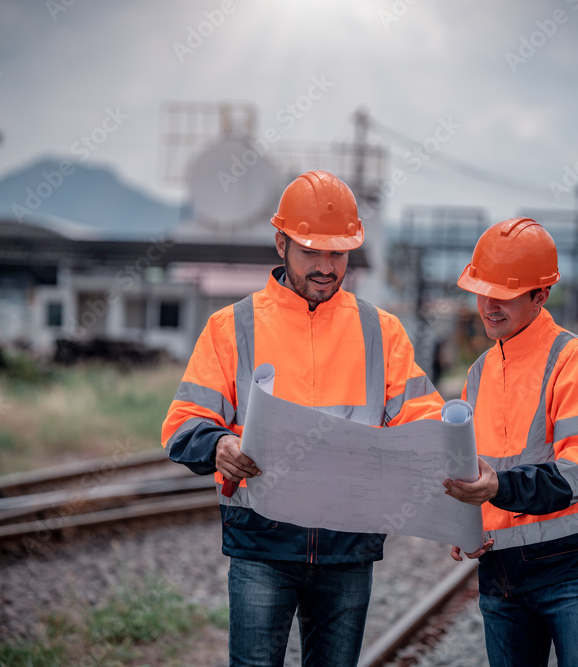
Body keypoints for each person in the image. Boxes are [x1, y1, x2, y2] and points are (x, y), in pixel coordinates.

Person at [162, 170, 444, 667]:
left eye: (337, 253)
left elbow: (426, 424)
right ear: (280, 244)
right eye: (311, 251)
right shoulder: (232, 327)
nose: (326, 266)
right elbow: (184, 423)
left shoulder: (381, 332)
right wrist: (220, 446)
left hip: (348, 546)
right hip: (262, 543)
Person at [442, 217, 578, 667]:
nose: (487, 305)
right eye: (482, 290)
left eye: (504, 294)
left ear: (541, 295)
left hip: (570, 575)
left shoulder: (577, 361)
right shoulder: (480, 371)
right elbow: (474, 464)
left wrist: (497, 488)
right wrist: (463, 520)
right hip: (501, 580)